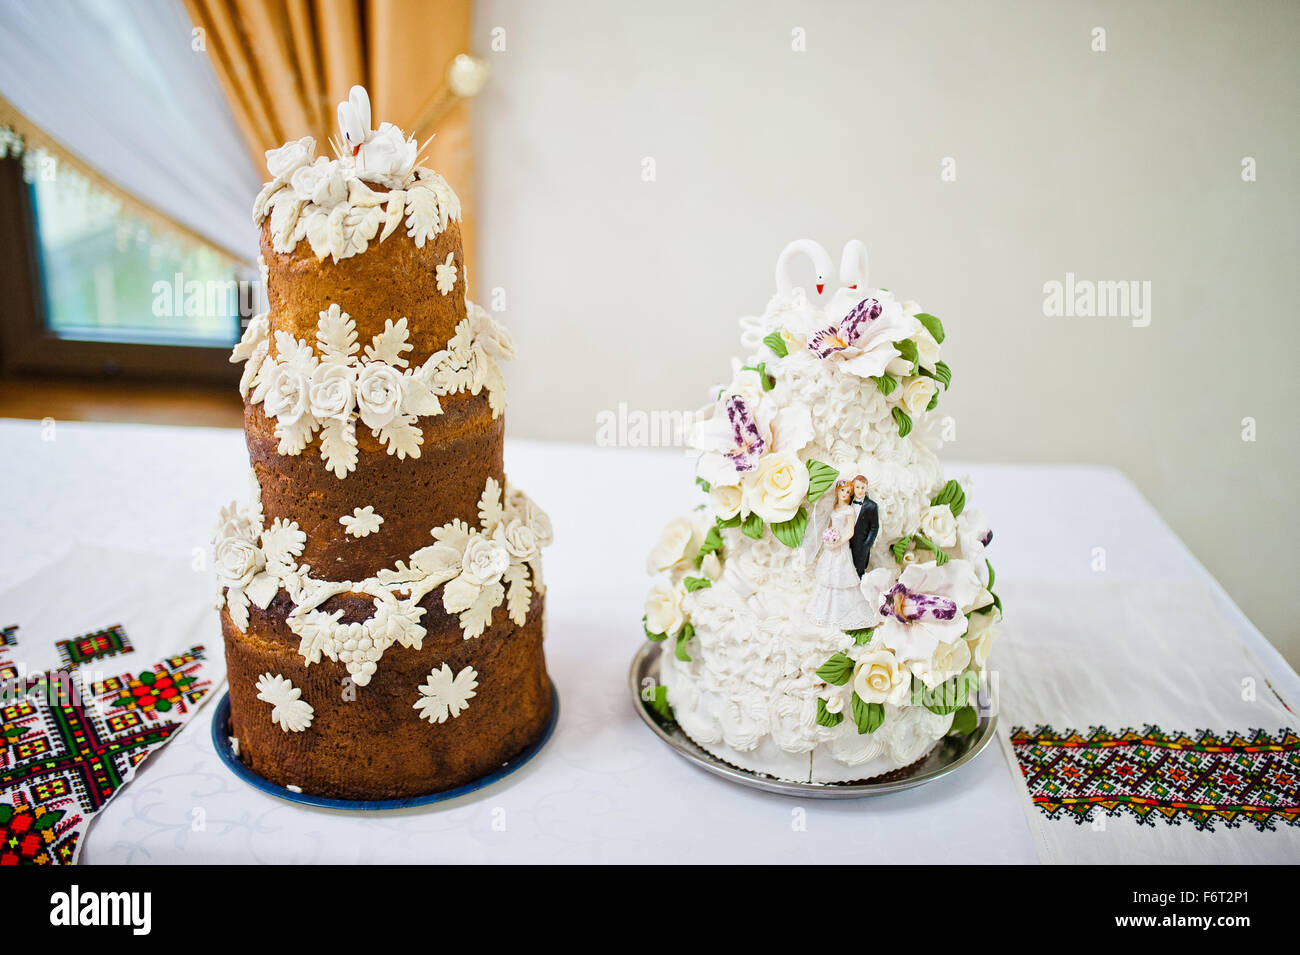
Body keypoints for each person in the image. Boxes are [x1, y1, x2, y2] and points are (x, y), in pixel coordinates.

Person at [806, 481, 876, 629]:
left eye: (847, 492)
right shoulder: (835, 508)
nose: (844, 494)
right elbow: (830, 526)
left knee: (841, 576)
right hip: (831, 546)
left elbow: (850, 531)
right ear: (837, 491)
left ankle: (847, 612)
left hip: (841, 546)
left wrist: (838, 542)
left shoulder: (849, 510)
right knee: (828, 576)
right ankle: (825, 611)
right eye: (842, 491)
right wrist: (827, 539)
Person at [848, 474, 879, 578]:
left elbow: (874, 528)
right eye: (857, 487)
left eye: (863, 488)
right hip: (846, 542)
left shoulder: (872, 506)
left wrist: (867, 545)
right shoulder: (847, 501)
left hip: (861, 545)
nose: (860, 490)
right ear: (853, 487)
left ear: (866, 488)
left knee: (859, 570)